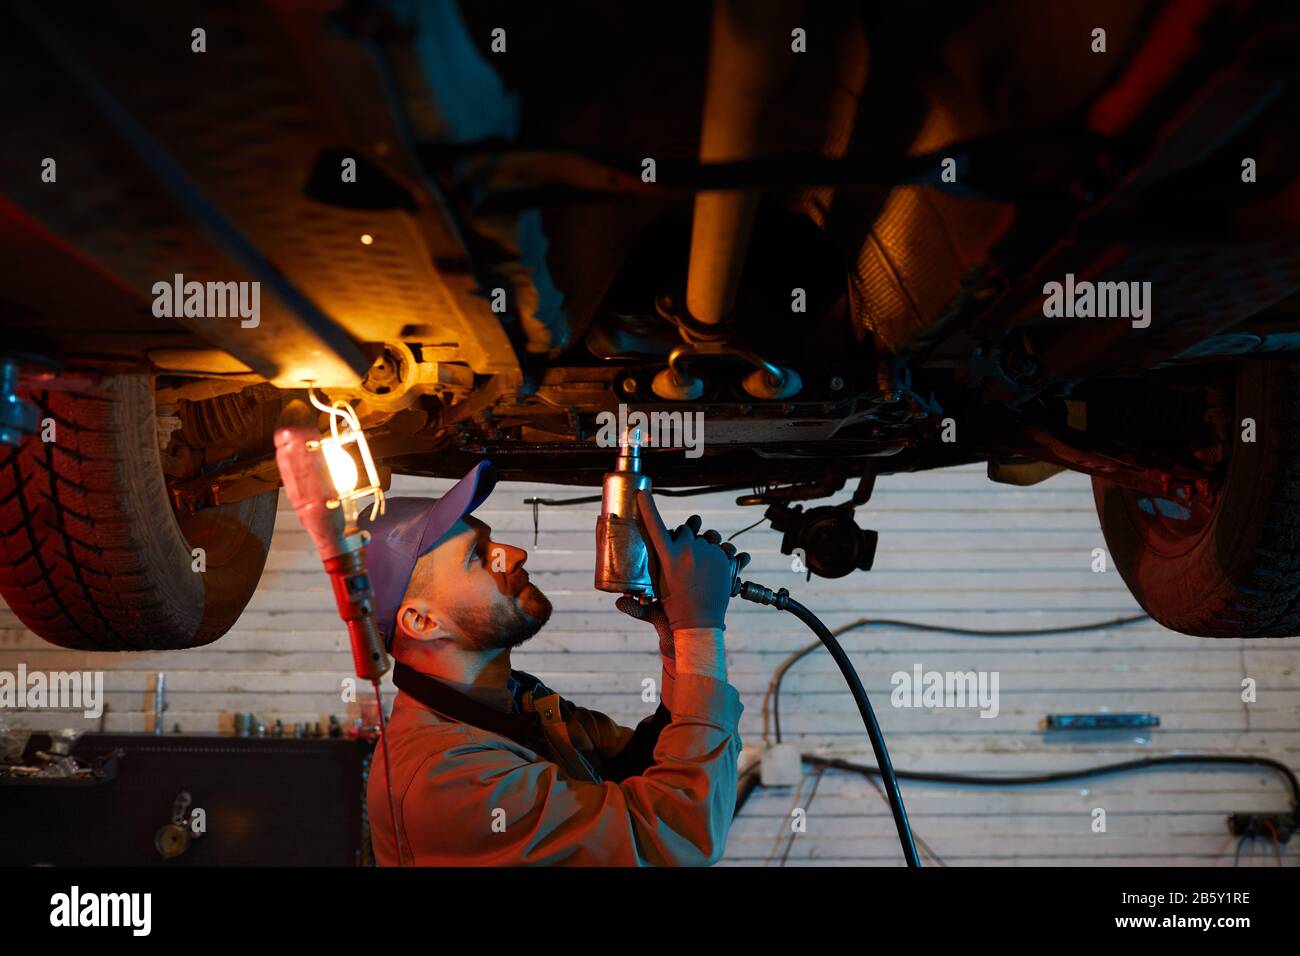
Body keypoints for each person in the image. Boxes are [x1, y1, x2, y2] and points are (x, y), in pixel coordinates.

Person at [362, 460, 748, 865]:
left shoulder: (517, 703)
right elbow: (676, 835)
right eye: (478, 555)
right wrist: (700, 631)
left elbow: (636, 767)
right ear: (422, 622)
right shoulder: (445, 779)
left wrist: (677, 644)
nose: (513, 554)